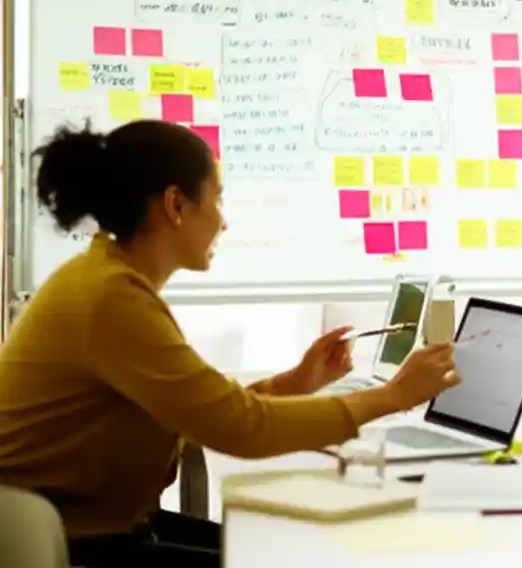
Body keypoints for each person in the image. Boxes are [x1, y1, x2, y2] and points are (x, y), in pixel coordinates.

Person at [0, 120, 462, 567]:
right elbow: (241, 428)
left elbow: (204, 411)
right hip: (80, 546)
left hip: (92, 533)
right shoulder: (110, 298)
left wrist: (296, 382)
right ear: (176, 205)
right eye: (217, 198)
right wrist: (392, 396)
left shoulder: (107, 281)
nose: (223, 221)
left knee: (287, 547)